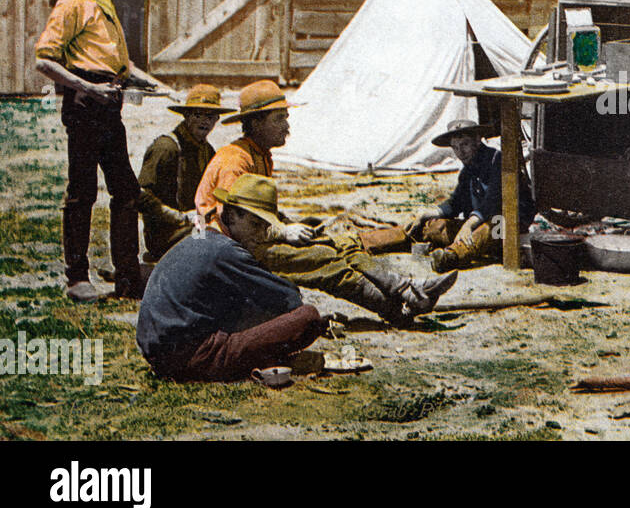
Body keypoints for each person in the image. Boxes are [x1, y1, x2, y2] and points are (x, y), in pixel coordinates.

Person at [194, 80, 456, 325]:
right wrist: (283, 231)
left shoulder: (260, 155)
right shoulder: (236, 160)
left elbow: (259, 212)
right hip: (228, 248)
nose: (287, 126)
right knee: (325, 259)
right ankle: (397, 310)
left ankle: (406, 289)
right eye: (279, 119)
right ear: (256, 123)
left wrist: (291, 225)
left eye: (286, 117)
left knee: (342, 242)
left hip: (253, 236)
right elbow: (231, 219)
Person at [33, 0, 153, 303]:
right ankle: (77, 278)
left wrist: (159, 85)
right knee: (82, 192)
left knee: (126, 191)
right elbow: (44, 59)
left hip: (109, 102)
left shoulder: (104, 2)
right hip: (85, 104)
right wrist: (86, 86)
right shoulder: (75, 0)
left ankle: (128, 276)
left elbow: (121, 65)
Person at [136, 174, 329, 382]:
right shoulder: (226, 251)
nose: (260, 234)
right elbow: (289, 300)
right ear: (231, 215)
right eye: (255, 225)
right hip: (187, 358)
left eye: (266, 228)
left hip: (158, 351)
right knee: (308, 317)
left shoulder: (201, 236)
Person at [407, 119, 536, 273]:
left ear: (477, 140)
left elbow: (492, 201)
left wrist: (468, 225)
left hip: (510, 228)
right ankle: (383, 241)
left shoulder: (498, 160)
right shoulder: (467, 171)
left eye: (465, 145)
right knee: (434, 226)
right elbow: (455, 204)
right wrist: (426, 214)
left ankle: (451, 256)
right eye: (455, 147)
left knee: (492, 225)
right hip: (479, 225)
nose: (460, 152)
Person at [137, 85, 233, 263]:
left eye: (210, 117)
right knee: (220, 247)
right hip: (167, 233)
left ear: (217, 119)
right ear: (186, 116)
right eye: (198, 115)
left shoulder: (206, 150)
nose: (204, 122)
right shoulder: (167, 147)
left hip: (197, 225)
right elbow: (140, 195)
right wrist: (178, 217)